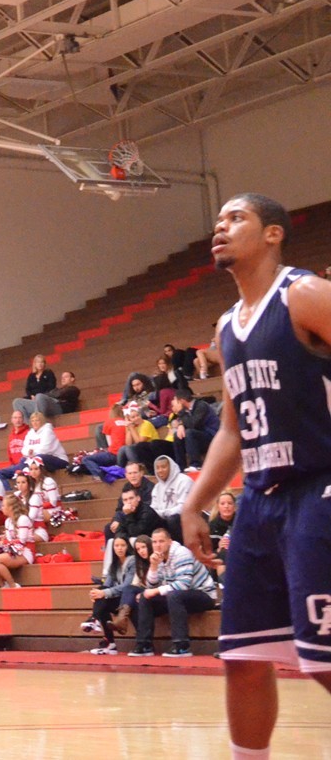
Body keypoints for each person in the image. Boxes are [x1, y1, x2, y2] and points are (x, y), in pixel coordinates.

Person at [178, 194, 331, 754]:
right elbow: (232, 429)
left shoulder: (306, 294)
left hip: (318, 488)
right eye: (217, 221)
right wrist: (194, 504)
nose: (220, 228)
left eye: (236, 218)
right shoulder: (226, 329)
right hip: (261, 502)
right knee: (244, 659)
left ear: (273, 234)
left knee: (322, 662)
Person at [128, 528, 218, 658]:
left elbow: (183, 585)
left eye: (161, 541)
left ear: (170, 542)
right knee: (145, 598)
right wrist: (153, 566)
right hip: (178, 596)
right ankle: (144, 644)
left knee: (173, 595)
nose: (157, 545)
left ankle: (182, 645)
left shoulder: (181, 553)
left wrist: (155, 591)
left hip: (204, 594)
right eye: (154, 542)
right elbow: (151, 585)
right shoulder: (158, 556)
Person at [83, 534, 135, 655]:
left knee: (103, 595)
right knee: (101, 596)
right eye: (117, 545)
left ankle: (94, 620)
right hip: (118, 599)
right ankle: (110, 643)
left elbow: (126, 586)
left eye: (122, 545)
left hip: (129, 599)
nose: (120, 548)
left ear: (128, 547)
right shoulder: (114, 564)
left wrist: (103, 593)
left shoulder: (133, 561)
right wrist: (97, 594)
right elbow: (106, 586)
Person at [0, 411, 67, 483]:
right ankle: (13, 491)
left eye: (37, 420)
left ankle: (29, 483)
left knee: (38, 458)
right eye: (32, 421)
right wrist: (29, 453)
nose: (34, 423)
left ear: (41, 421)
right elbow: (24, 450)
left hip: (57, 460)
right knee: (0, 472)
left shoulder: (48, 431)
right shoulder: (30, 433)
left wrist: (32, 453)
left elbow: (45, 449)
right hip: (32, 460)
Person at [0, 494, 36, 589]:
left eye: (3, 506)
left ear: (10, 507)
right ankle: (3, 585)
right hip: (13, 550)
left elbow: (21, 541)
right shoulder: (8, 521)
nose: (1, 508)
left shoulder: (23, 519)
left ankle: (13, 585)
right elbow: (8, 539)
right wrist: (0, 543)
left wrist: (5, 543)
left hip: (25, 552)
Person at [168, 392, 220, 471]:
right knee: (178, 435)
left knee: (189, 433)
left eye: (176, 401)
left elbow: (193, 424)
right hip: (198, 437)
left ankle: (196, 464)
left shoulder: (201, 406)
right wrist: (180, 425)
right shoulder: (186, 410)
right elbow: (185, 423)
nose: (174, 404)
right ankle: (180, 467)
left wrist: (181, 412)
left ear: (181, 401)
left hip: (212, 436)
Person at [148, 454, 192, 543]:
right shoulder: (157, 487)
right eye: (157, 468)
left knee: (173, 519)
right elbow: (153, 508)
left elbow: (184, 507)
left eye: (163, 467)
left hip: (184, 519)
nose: (160, 471)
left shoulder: (184, 481)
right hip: (164, 518)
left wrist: (165, 512)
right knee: (148, 518)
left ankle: (180, 545)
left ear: (171, 467)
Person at [12, 354, 56, 420]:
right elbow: (28, 389)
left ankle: (38, 421)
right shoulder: (31, 375)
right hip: (33, 399)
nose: (40, 364)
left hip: (44, 399)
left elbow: (51, 387)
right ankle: (27, 425)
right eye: (38, 362)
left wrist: (39, 396)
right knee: (16, 402)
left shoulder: (48, 373)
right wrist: (31, 396)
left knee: (39, 397)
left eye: (42, 362)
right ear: (35, 364)